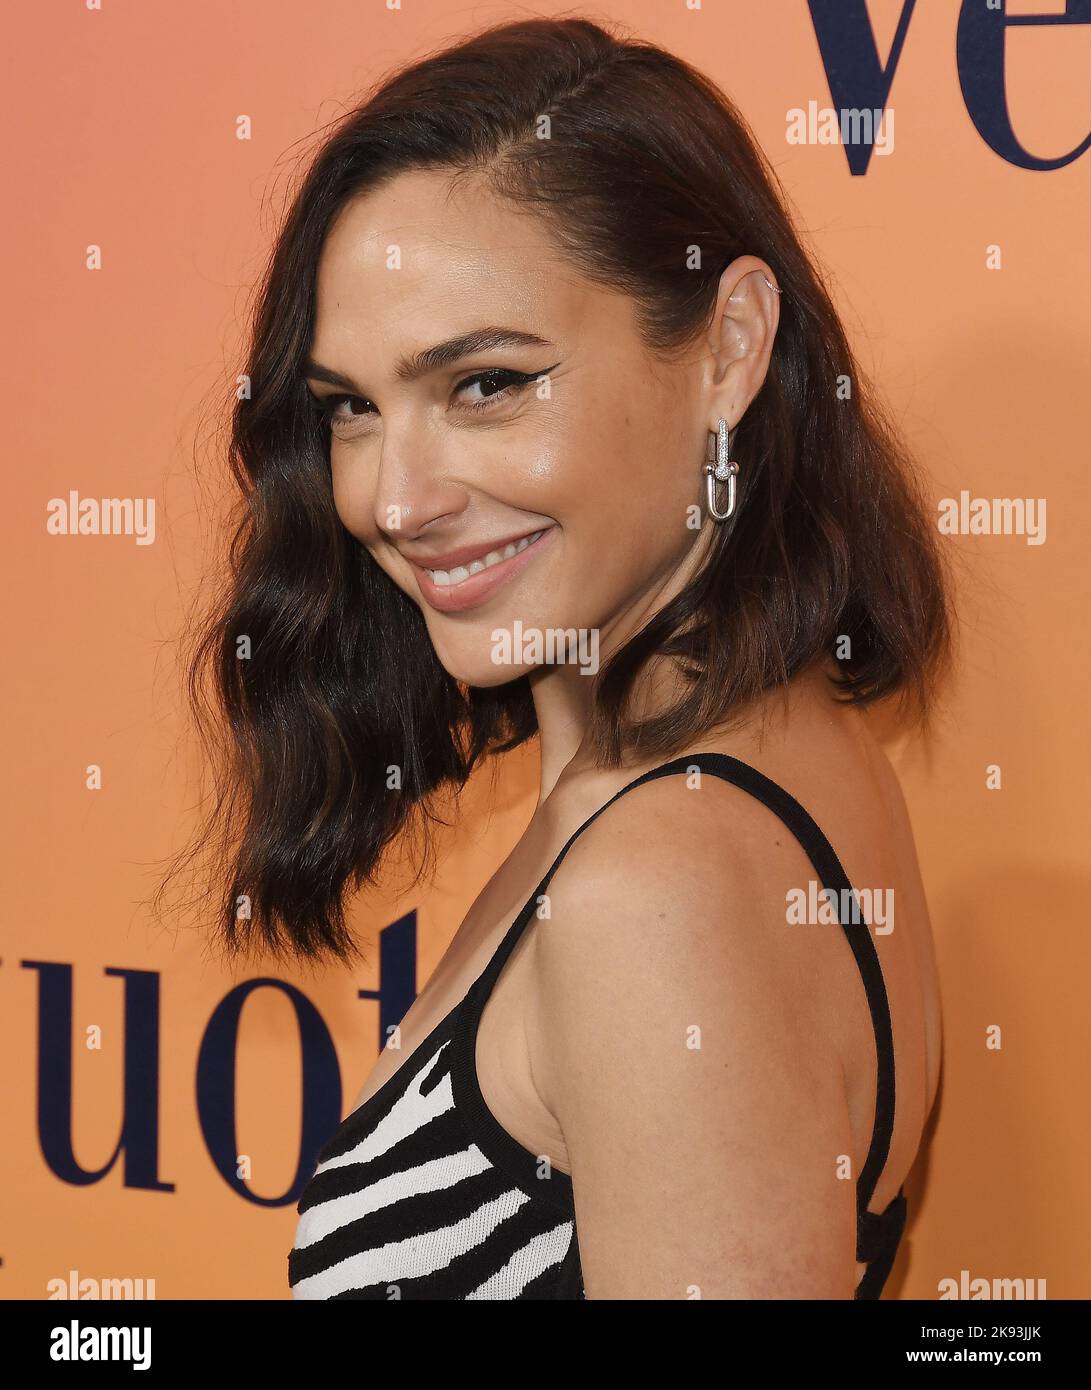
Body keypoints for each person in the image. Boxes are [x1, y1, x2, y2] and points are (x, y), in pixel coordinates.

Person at [172, 16, 951, 1298]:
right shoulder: (745, 758)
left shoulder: (659, 881)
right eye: (352, 408)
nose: (394, 498)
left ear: (728, 347)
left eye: (485, 383)